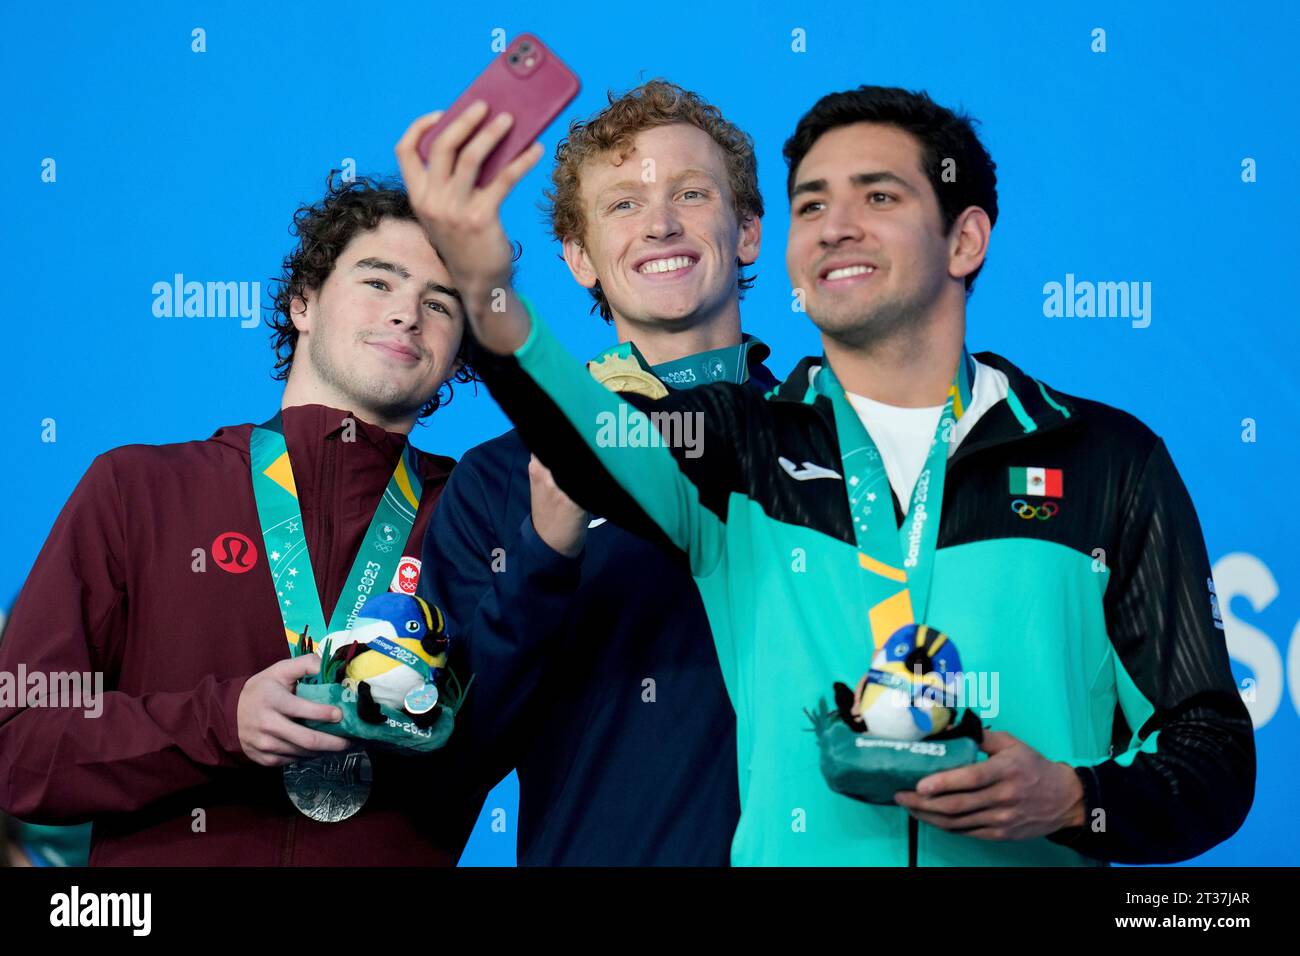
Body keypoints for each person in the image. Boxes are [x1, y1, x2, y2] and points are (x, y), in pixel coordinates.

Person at [397, 85, 1255, 865]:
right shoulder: (741, 453)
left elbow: (1209, 755)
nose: (838, 226)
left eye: (878, 197)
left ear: (965, 237)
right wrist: (481, 279)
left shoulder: (1106, 457)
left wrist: (1075, 799)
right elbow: (586, 439)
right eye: (816, 204)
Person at [0, 173, 482, 865]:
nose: (407, 313)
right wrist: (219, 723)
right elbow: (20, 751)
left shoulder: (479, 516)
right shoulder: (139, 489)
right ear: (304, 303)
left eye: (439, 303)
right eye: (379, 282)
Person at [419, 80, 775, 865]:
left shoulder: (825, 440)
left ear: (748, 230)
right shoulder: (500, 479)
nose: (660, 223)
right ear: (579, 258)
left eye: (691, 192)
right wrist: (545, 552)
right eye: (622, 204)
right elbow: (448, 761)